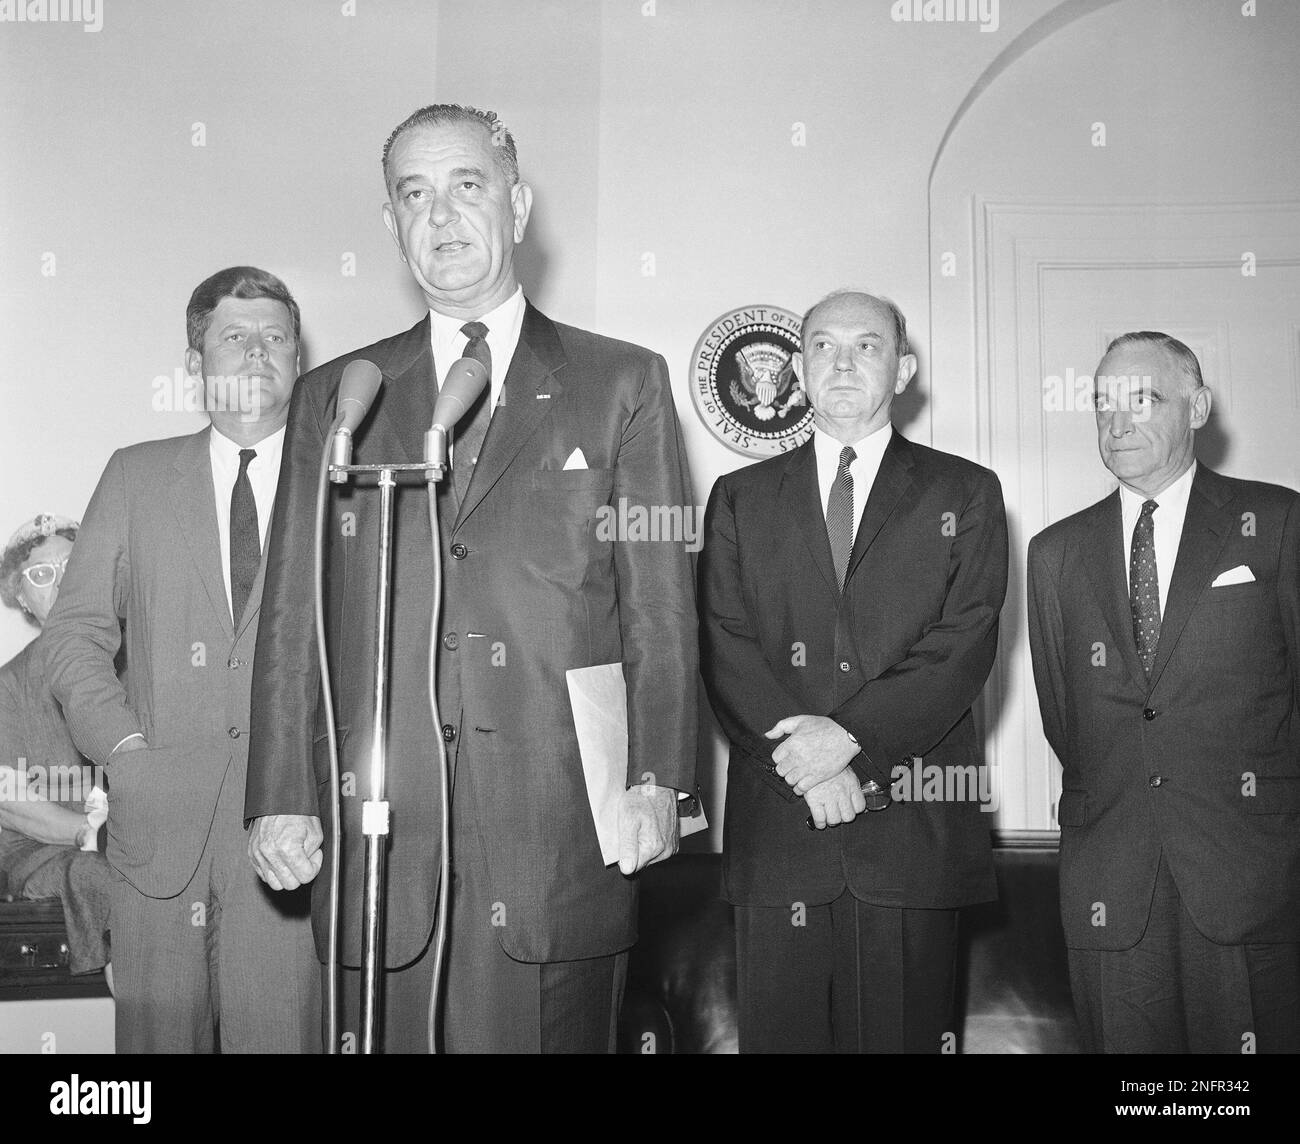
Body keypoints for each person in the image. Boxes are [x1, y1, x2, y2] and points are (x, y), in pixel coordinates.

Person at [245, 104, 698, 1053]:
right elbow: (293, 609)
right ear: (390, 225)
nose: (441, 214)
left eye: (467, 185)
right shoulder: (341, 394)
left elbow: (660, 608)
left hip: (561, 823)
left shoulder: (624, 381)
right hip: (382, 833)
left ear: (519, 205)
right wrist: (281, 790)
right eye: (414, 193)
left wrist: (661, 779)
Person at [699, 290, 1008, 1052]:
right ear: (799, 370)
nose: (842, 362)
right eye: (824, 347)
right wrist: (807, 767)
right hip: (780, 840)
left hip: (911, 838)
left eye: (866, 346)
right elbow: (725, 645)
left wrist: (848, 740)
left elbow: (961, 646)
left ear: (902, 369)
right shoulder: (738, 499)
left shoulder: (966, 492)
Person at [43, 267, 319, 1052]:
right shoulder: (135, 475)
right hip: (155, 840)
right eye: (233, 337)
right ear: (195, 363)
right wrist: (127, 754)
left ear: (299, 359)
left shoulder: (344, 486)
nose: (256, 352)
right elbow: (74, 636)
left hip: (293, 839)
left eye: (275, 337)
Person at [1027, 331, 1300, 1053]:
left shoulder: (1276, 523)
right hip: (1111, 885)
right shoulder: (1054, 553)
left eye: (1141, 399)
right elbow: (1066, 718)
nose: (1117, 424)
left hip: (1251, 877)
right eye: (1101, 404)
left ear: (1198, 406)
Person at [0, 513, 111, 981]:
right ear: (21, 597)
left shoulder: (134, 667)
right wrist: (90, 833)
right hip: (39, 850)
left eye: (71, 566)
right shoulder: (8, 687)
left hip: (129, 843)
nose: (60, 583)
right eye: (41, 575)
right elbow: (9, 802)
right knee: (105, 878)